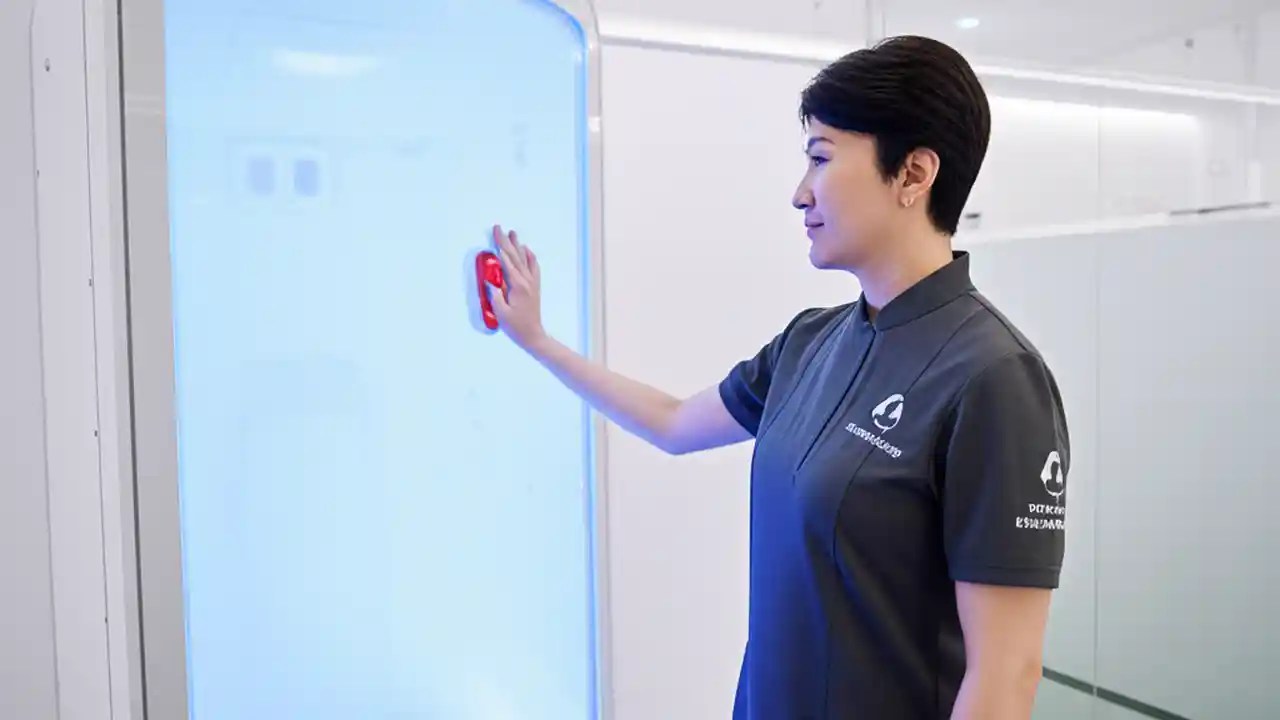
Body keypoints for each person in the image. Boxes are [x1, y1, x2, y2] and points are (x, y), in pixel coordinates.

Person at [486, 35, 1069, 720]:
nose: (799, 194)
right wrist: (539, 342)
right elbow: (674, 424)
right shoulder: (809, 342)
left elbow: (1006, 676)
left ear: (913, 174)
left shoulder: (995, 378)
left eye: (820, 158)